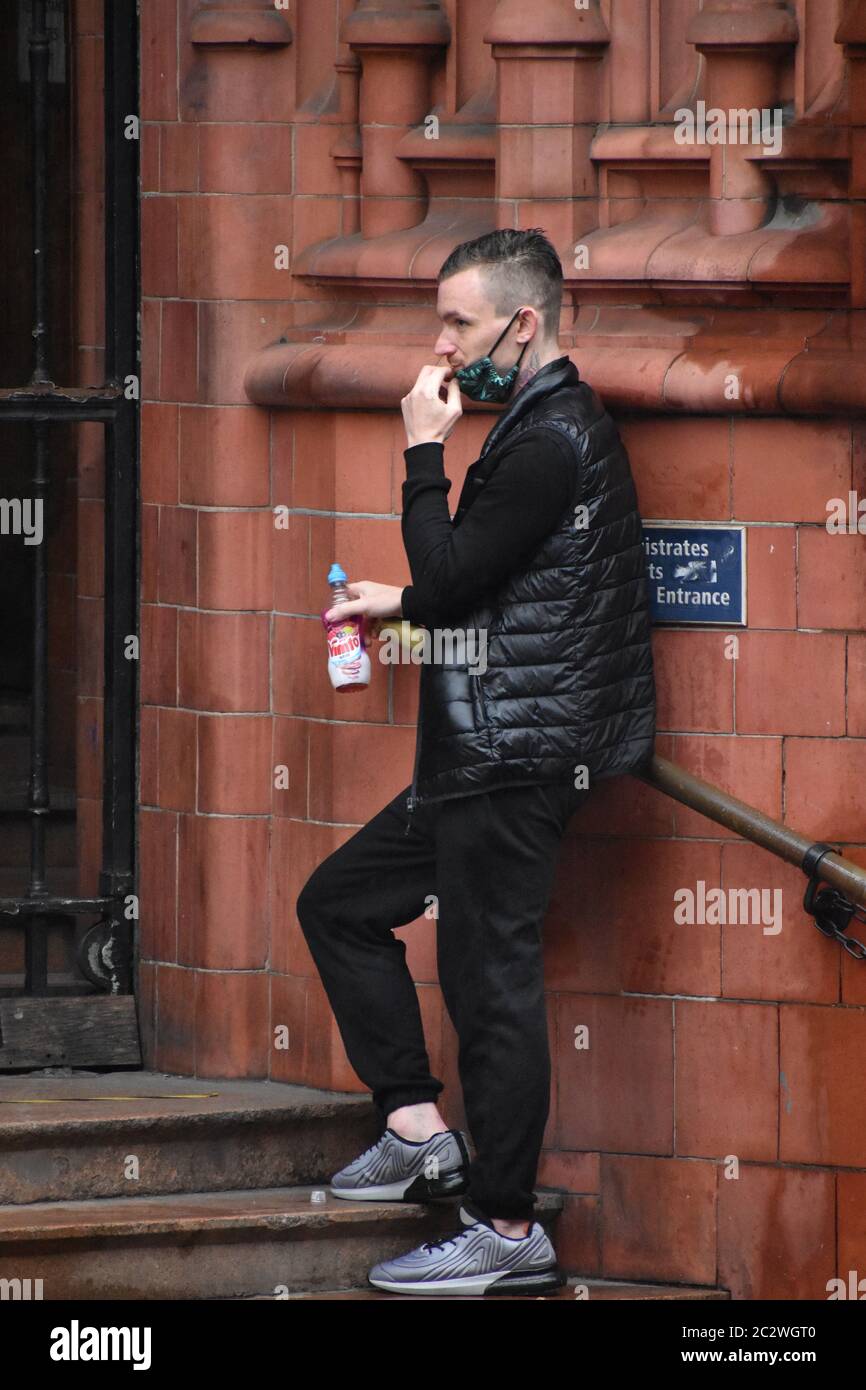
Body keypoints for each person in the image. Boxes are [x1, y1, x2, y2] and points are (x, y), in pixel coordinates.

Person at [296, 228, 656, 1296]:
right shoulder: (532, 430)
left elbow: (456, 578)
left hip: (514, 757)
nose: (441, 346)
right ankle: (414, 1125)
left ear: (523, 321)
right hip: (479, 750)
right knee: (340, 903)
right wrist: (393, 604)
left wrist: (419, 451)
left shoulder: (549, 438)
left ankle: (503, 1226)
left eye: (457, 322)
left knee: (488, 987)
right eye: (440, 321)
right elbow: (486, 581)